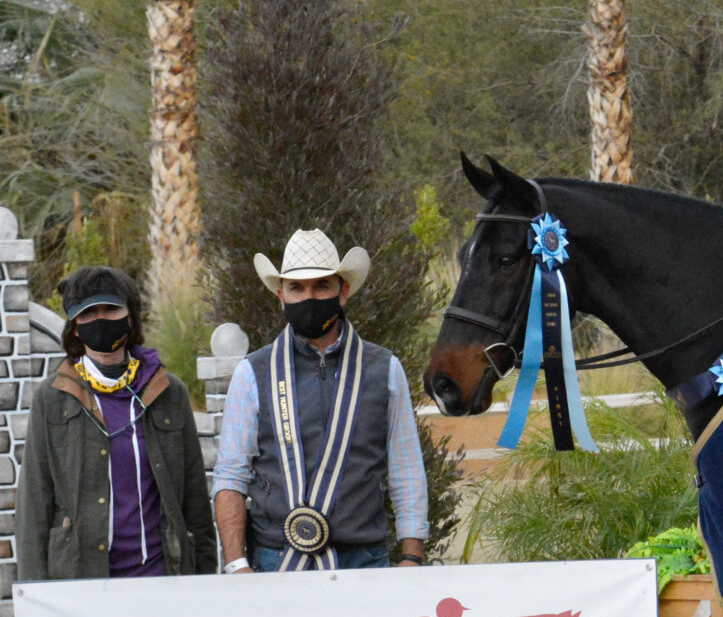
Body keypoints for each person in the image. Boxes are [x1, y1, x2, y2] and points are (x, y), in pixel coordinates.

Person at [213, 229, 429, 572]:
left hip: (364, 562)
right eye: (297, 288)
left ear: (342, 292)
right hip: (276, 562)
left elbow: (406, 469)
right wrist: (237, 564)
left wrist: (411, 557)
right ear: (280, 295)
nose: (308, 298)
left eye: (321, 286)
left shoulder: (384, 369)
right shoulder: (252, 373)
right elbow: (231, 474)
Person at [19, 266, 215, 581]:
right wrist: (35, 597)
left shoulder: (168, 392)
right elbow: (34, 506)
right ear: (74, 327)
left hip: (161, 577)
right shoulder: (52, 398)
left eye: (111, 309)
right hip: (81, 585)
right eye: (88, 313)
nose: (101, 319)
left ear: (131, 316)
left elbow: (194, 500)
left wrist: (205, 581)